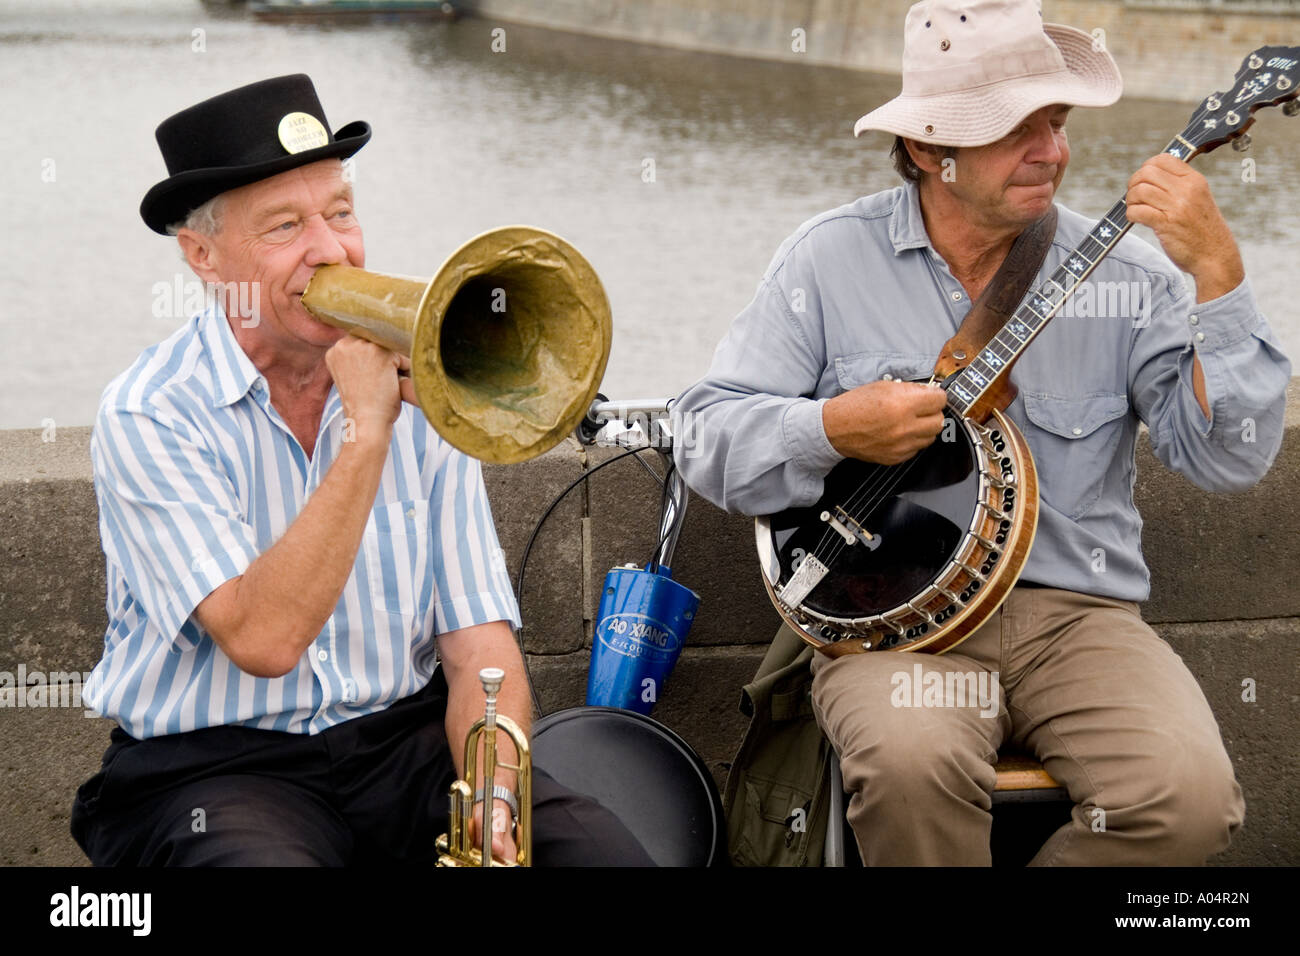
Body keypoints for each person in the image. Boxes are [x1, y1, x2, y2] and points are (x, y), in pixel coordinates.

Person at [673, 0, 1290, 865]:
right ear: (930, 151)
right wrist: (831, 429)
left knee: (1188, 800)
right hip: (892, 628)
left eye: (1057, 121)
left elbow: (1231, 459)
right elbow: (704, 437)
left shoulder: (1133, 277)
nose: (1053, 150)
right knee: (908, 764)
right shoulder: (826, 260)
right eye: (1017, 129)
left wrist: (1219, 279)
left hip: (1079, 618)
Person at [71, 73, 651, 866]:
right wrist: (365, 433)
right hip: (214, 768)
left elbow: (477, 647)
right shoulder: (151, 412)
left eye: (340, 213)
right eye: (285, 226)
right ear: (204, 257)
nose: (332, 250)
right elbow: (263, 637)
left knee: (604, 855)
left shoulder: (430, 381)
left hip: (400, 745)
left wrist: (494, 788)